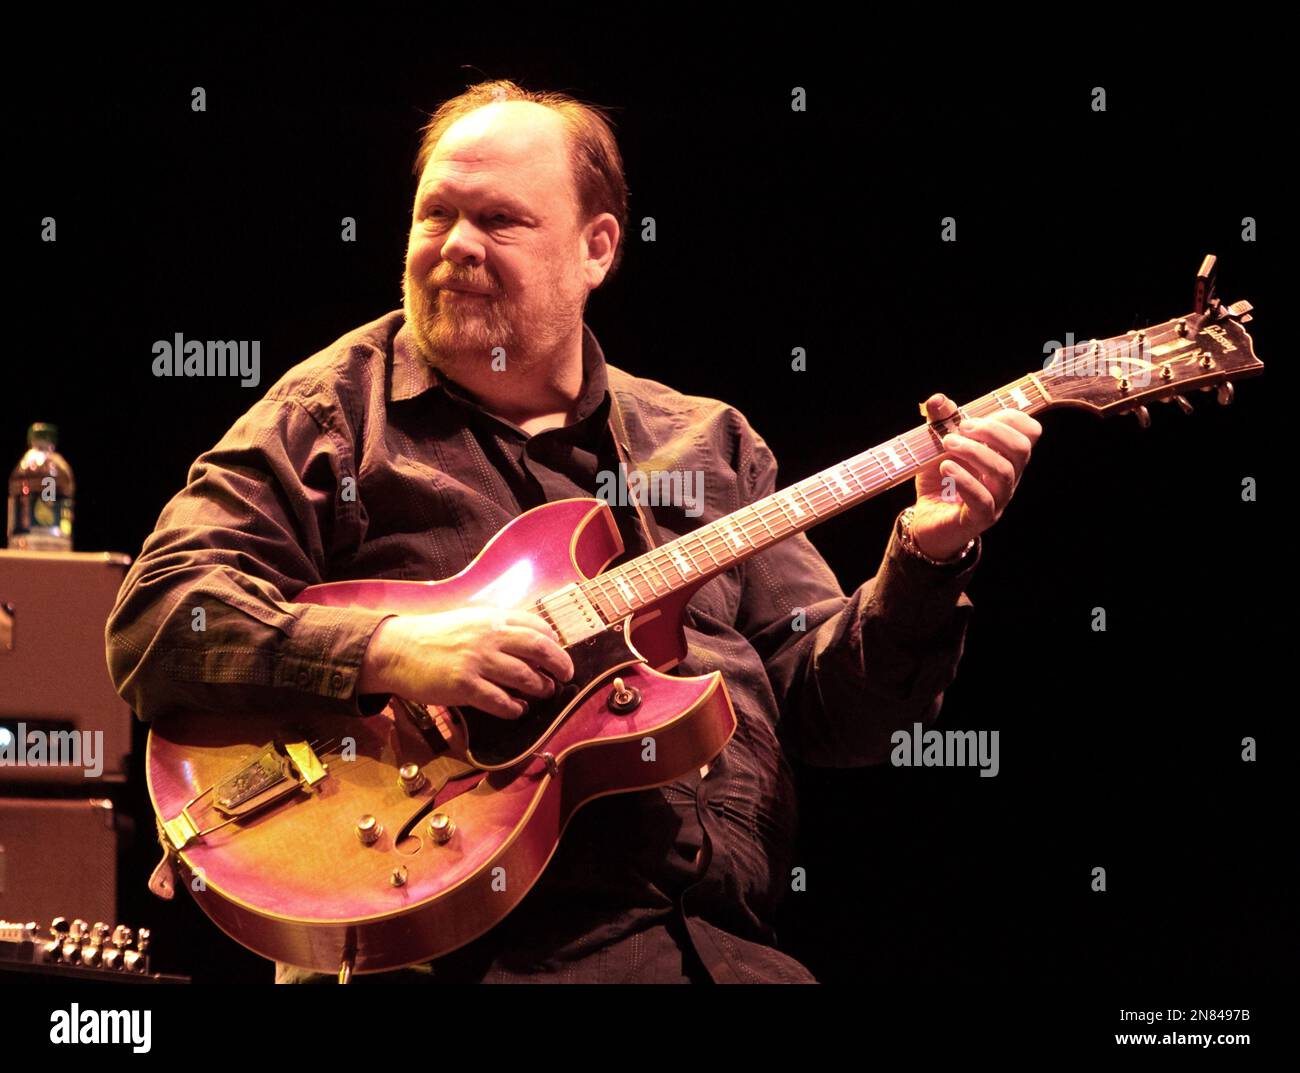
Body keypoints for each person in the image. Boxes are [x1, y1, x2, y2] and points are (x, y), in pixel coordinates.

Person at [106, 80, 1041, 983]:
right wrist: (391, 651)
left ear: (598, 249)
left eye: (500, 220)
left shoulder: (707, 443)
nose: (457, 246)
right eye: (437, 215)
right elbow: (158, 616)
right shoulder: (335, 417)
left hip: (728, 953)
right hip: (459, 948)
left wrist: (927, 553)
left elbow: (838, 715)